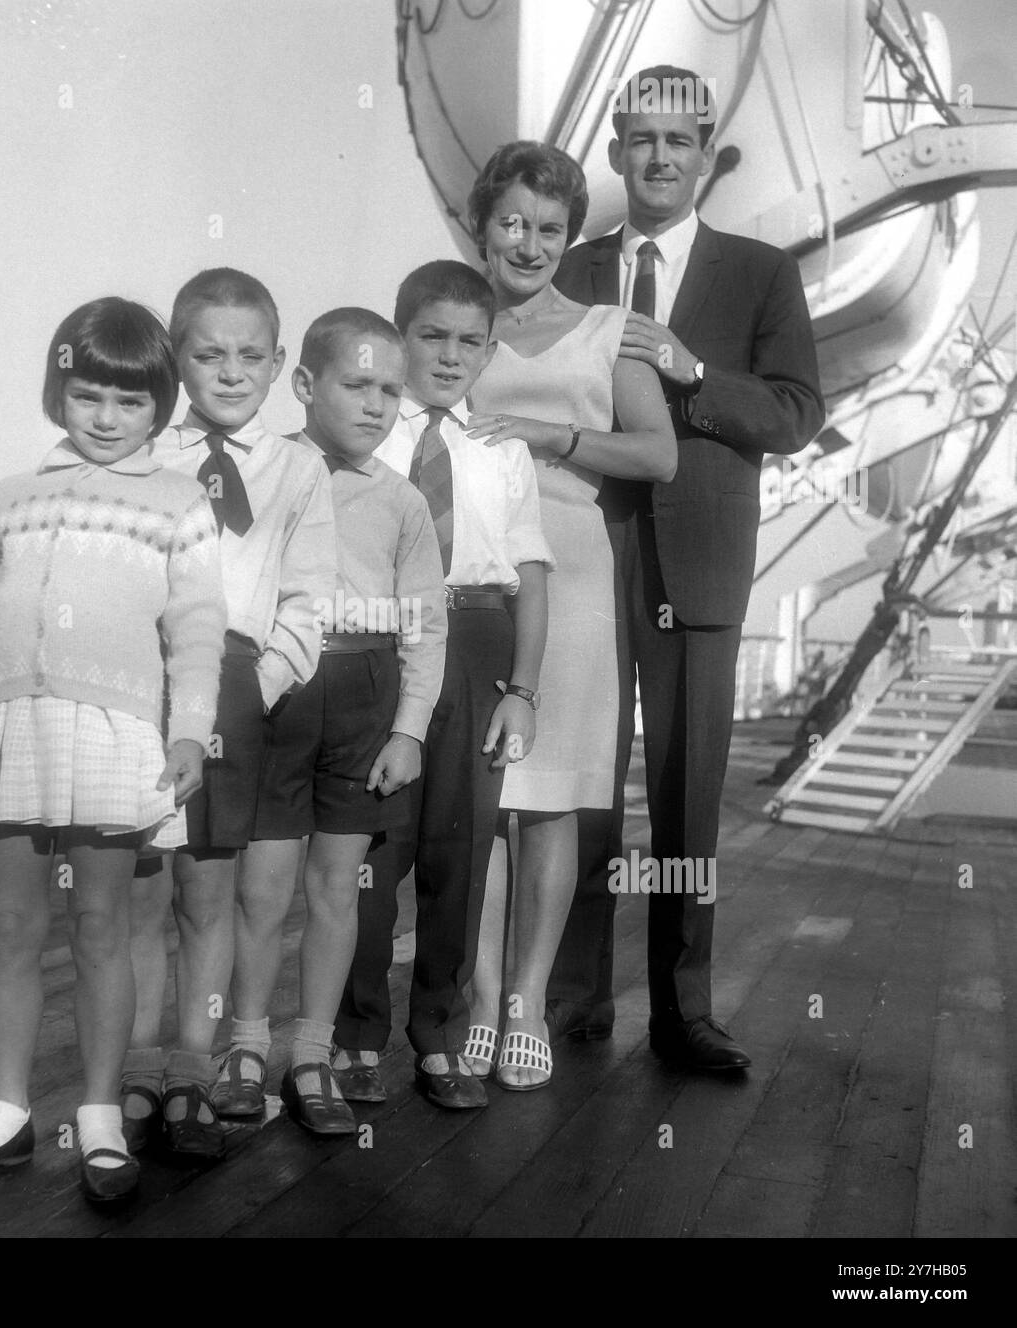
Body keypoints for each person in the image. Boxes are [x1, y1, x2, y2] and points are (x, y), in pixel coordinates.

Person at [546, 65, 825, 1069]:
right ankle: (571, 1004)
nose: (659, 157)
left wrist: (691, 370)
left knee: (684, 792)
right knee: (579, 782)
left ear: (707, 159)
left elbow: (795, 413)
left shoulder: (760, 271)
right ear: (617, 151)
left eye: (679, 142)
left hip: (698, 561)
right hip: (581, 550)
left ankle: (682, 1009)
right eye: (641, 140)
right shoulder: (569, 270)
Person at [0, 296, 226, 1201]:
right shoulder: (10, 499)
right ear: (60, 392)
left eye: (130, 404)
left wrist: (187, 731)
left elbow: (197, 628)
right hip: (8, 730)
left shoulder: (177, 502)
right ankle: (6, 1112)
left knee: (102, 928)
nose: (106, 418)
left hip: (113, 732)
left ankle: (98, 1112)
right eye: (89, 395)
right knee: (9, 927)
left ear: (158, 408)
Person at [463, 141, 675, 1090]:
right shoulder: (455, 326)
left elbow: (659, 454)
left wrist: (556, 436)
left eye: (551, 227)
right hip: (469, 573)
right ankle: (473, 999)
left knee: (547, 805)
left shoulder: (607, 329)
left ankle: (525, 1004)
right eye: (513, 221)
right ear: (482, 225)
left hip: (576, 577)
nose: (532, 242)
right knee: (478, 801)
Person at [212, 308, 446, 1134]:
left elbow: (425, 622)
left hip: (365, 696)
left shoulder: (404, 501)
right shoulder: (261, 474)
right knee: (262, 885)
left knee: (336, 887)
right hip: (282, 691)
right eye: (357, 384)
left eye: (391, 389)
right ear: (306, 385)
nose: (377, 404)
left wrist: (410, 728)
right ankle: (244, 1046)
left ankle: (311, 1052)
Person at [120, 268, 336, 1159]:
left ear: (280, 361)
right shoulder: (142, 457)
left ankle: (190, 1072)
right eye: (209, 354)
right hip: (140, 691)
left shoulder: (299, 468)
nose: (232, 370)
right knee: (138, 894)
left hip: (237, 693)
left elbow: (310, 598)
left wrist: (259, 686)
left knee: (208, 895)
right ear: (176, 358)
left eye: (252, 355)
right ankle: (131, 1068)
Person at [334, 261, 553, 1110]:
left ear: (491, 349)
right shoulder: (366, 435)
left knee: (459, 851)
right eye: (431, 336)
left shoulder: (501, 448)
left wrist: (522, 690)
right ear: (398, 337)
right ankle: (355, 1038)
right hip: (382, 640)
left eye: (470, 340)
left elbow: (531, 571)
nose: (451, 355)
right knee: (369, 852)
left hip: (478, 637)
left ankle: (437, 1035)